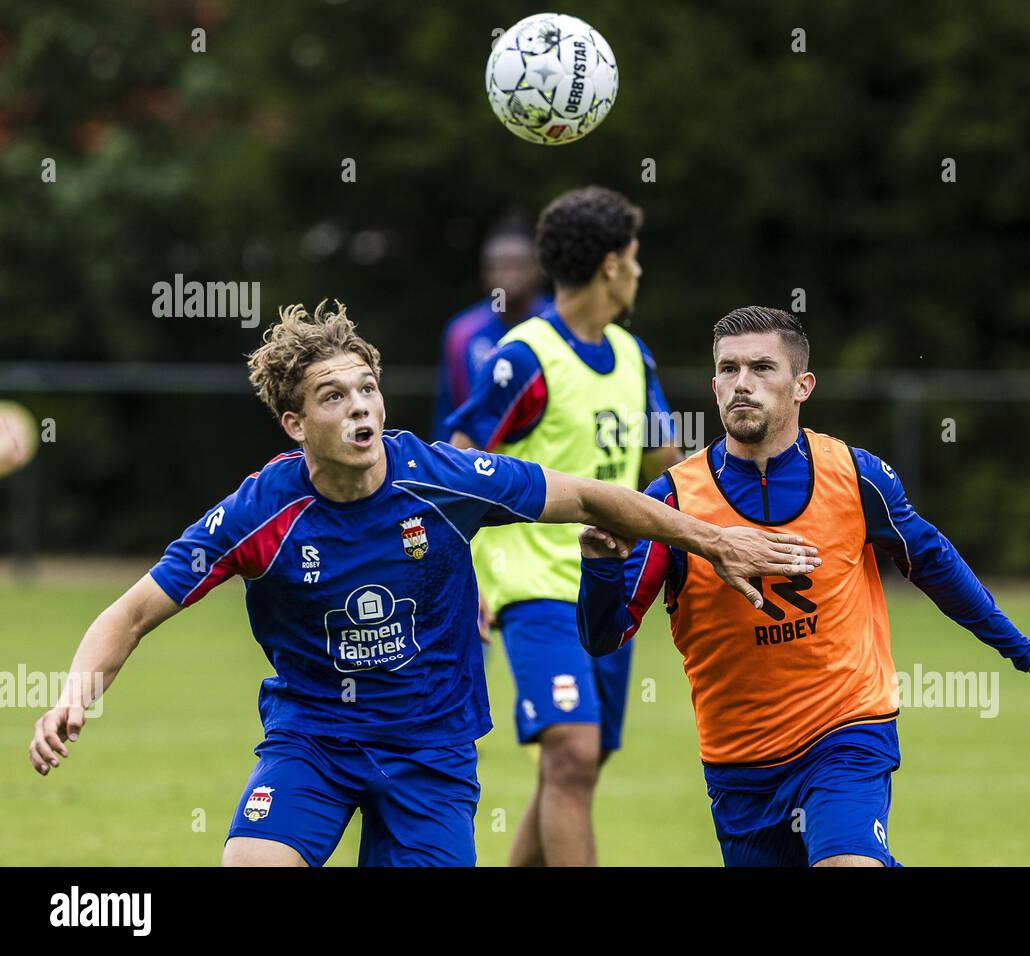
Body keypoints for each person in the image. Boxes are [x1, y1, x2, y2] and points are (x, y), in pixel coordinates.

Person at [26, 299, 818, 868]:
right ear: (297, 426)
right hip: (313, 740)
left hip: (430, 753)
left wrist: (714, 542)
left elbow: (586, 495)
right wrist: (74, 694)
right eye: (333, 397)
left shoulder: (439, 479)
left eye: (366, 388)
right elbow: (130, 613)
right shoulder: (260, 510)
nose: (360, 407)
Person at [576, 306, 1030, 867]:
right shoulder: (673, 501)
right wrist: (599, 566)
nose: (742, 384)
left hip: (846, 732)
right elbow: (606, 635)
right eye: (728, 369)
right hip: (740, 764)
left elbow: (934, 563)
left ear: (803, 386)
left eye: (762, 368)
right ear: (714, 383)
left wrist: (1024, 651)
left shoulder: (854, 474)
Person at [447, 186, 681, 866]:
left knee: (578, 762)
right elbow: (457, 464)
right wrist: (461, 577)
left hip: (608, 585)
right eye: (635, 258)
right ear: (611, 264)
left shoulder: (635, 359)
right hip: (533, 585)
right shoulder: (526, 357)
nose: (640, 272)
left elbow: (670, 468)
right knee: (574, 753)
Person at [431, 217, 552, 444]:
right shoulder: (462, 332)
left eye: (518, 265)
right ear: (484, 272)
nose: (508, 275)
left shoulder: (557, 323)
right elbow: (449, 407)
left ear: (537, 268)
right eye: (499, 266)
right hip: (480, 464)